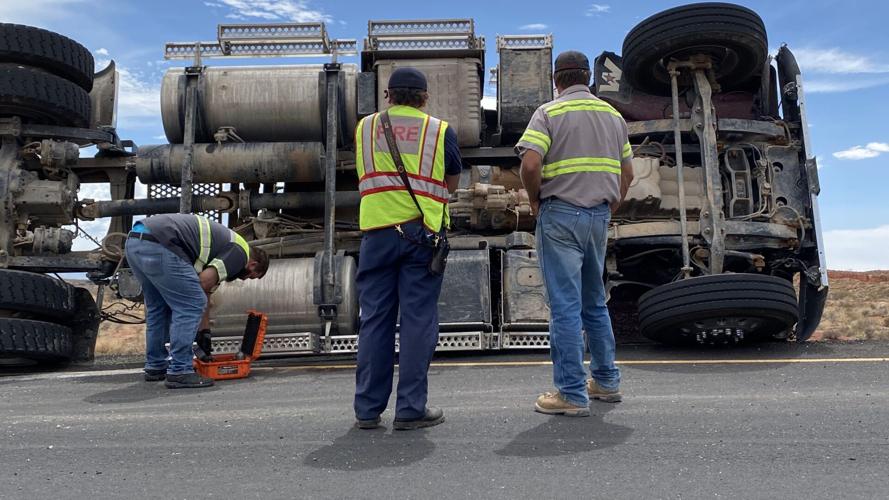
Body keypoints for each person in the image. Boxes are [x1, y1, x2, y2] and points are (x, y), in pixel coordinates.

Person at [516, 50, 635, 417]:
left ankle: (570, 393)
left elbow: (531, 163)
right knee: (594, 303)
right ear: (588, 78)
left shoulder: (548, 113)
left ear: (557, 80)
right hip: (598, 215)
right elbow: (627, 173)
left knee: (565, 307)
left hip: (560, 214)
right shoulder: (613, 116)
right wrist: (610, 206)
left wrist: (535, 200)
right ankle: (606, 382)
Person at [353, 67, 462, 430]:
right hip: (422, 236)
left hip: (377, 233)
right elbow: (451, 181)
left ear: (388, 96)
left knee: (374, 321)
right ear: (424, 98)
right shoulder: (439, 130)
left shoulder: (365, 129)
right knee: (416, 321)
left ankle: (368, 410)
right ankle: (410, 409)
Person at [125, 213, 269, 389]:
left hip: (136, 241)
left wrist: (204, 330)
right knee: (190, 304)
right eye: (251, 277)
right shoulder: (240, 254)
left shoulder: (226, 244)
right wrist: (197, 334)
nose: (244, 280)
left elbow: (204, 290)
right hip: (161, 243)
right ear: (252, 265)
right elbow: (202, 285)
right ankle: (180, 370)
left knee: (159, 307)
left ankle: (156, 366)